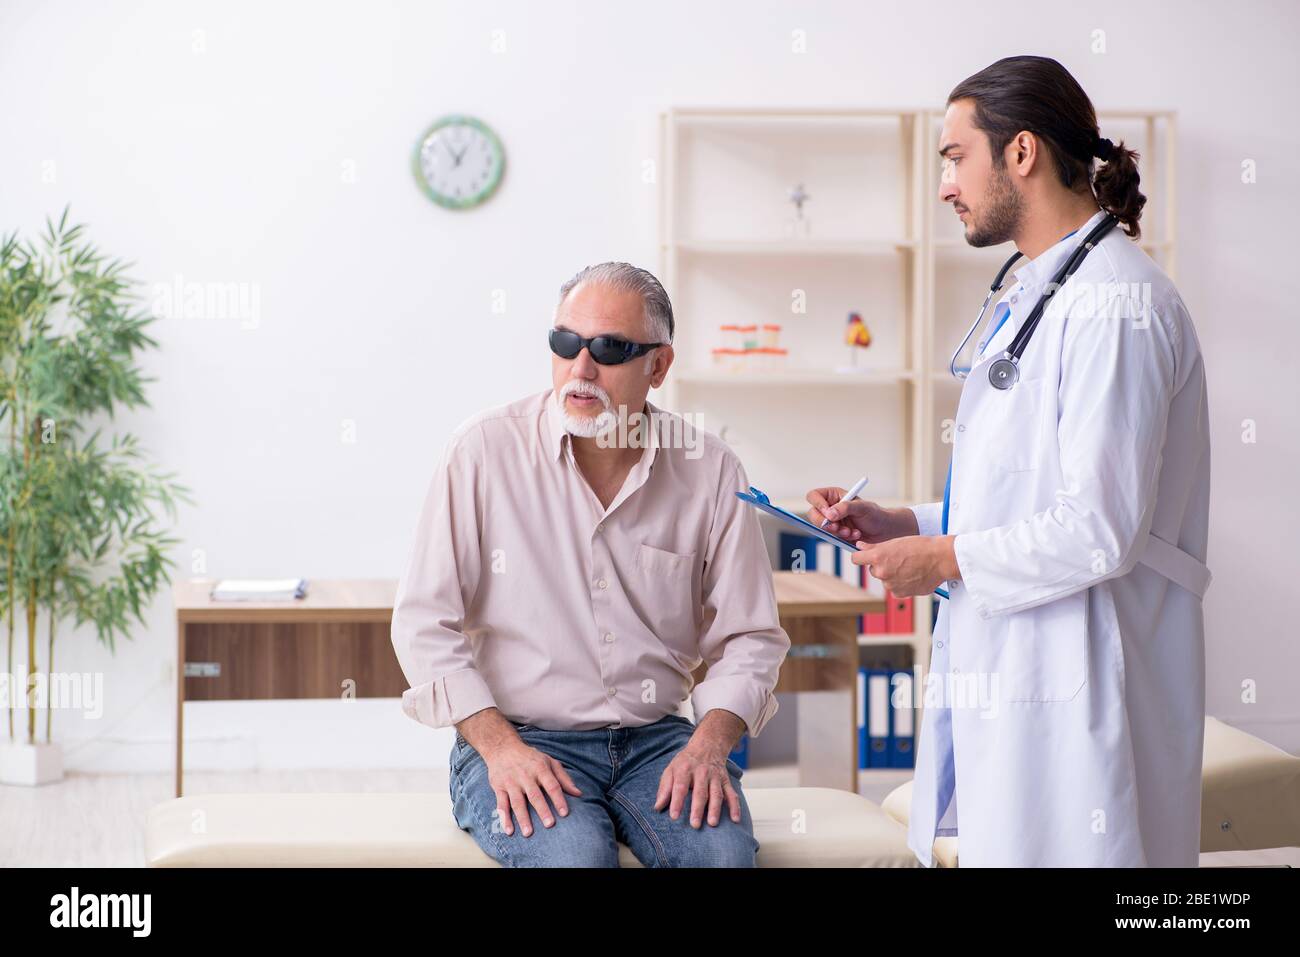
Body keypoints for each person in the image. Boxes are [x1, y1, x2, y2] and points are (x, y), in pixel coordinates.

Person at [807, 56, 1210, 867]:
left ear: (1020, 152)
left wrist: (945, 556)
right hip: (1028, 661)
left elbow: (1098, 527)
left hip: (1091, 670)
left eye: (957, 157)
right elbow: (1024, 490)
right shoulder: (1044, 292)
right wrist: (913, 523)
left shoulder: (1115, 307)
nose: (947, 184)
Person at [391, 261, 790, 867]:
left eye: (608, 348)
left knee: (721, 857)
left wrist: (710, 746)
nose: (581, 369)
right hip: (519, 736)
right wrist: (500, 749)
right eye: (565, 343)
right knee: (574, 858)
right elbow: (424, 623)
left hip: (658, 740)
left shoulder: (710, 470)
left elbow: (750, 637)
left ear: (659, 366)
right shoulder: (482, 453)